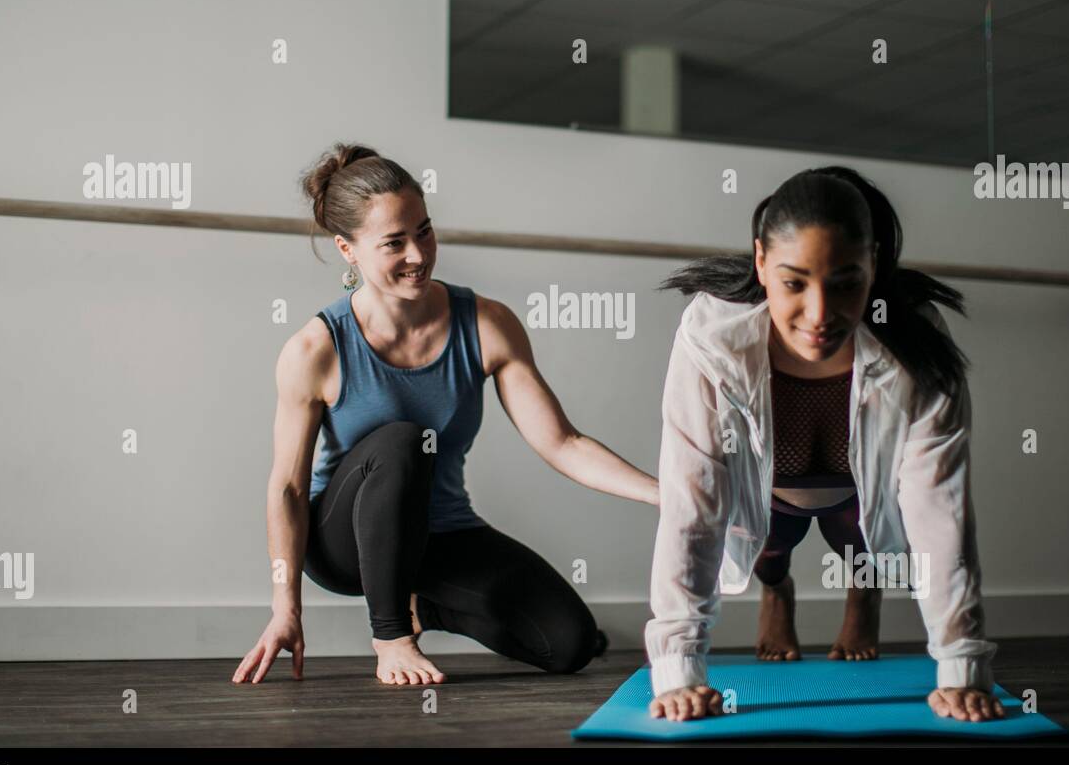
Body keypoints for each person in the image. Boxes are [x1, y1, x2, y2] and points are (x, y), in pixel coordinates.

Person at [234, 143, 658, 687]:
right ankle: (391, 637)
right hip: (343, 546)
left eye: (424, 231)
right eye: (394, 242)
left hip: (441, 534)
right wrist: (285, 607)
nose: (418, 254)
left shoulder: (486, 323)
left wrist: (662, 492)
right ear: (348, 249)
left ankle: (422, 608)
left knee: (569, 642)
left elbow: (563, 443)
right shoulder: (316, 348)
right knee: (403, 442)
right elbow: (288, 489)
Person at [644, 167, 1003, 723]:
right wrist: (678, 670)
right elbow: (693, 503)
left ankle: (864, 593)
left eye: (845, 284)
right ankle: (777, 593)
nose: (819, 315)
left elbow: (940, 511)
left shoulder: (918, 346)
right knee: (771, 550)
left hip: (857, 494)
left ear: (874, 267)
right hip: (769, 497)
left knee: (857, 551)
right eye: (794, 283)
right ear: (760, 260)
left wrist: (961, 664)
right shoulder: (711, 338)